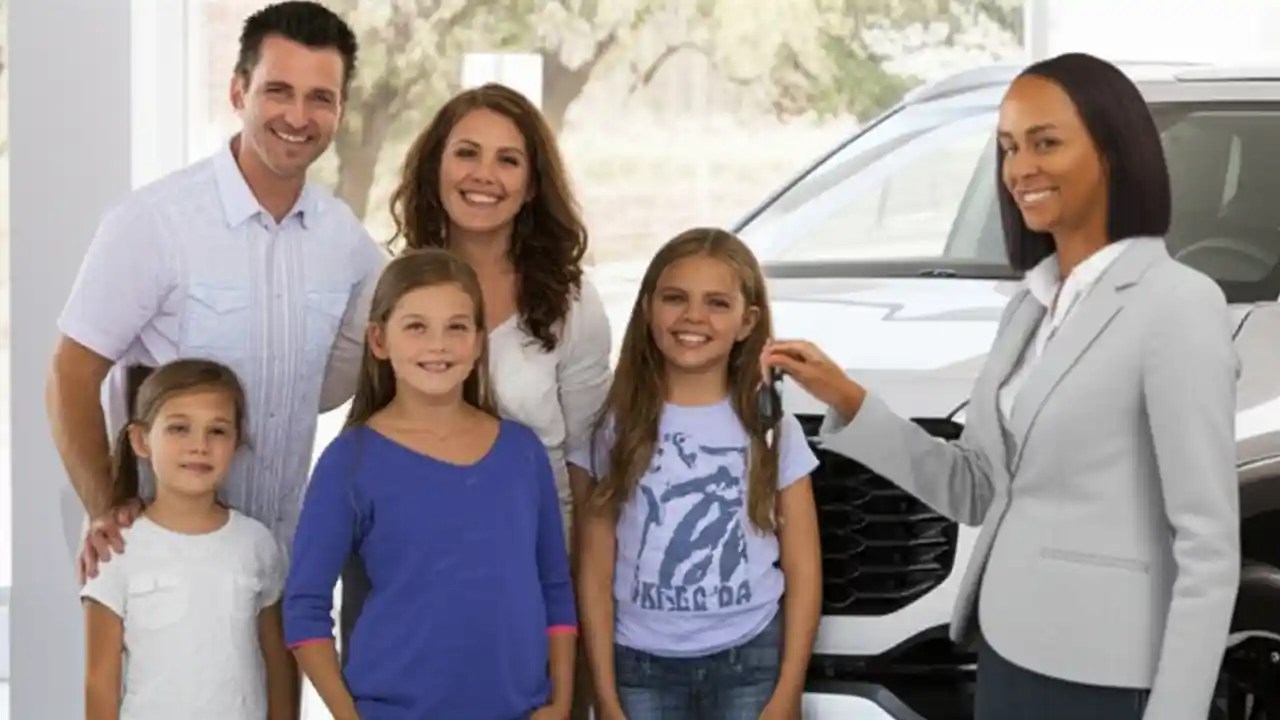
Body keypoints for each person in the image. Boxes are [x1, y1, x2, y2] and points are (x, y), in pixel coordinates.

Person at [764, 53, 1240, 720]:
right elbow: (976, 487)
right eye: (1009, 147)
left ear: (1112, 152)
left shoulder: (1178, 304)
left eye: (1046, 143)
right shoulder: (1032, 306)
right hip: (1009, 652)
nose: (1020, 169)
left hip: (1109, 669)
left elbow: (1209, 548)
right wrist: (846, 398)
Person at [47, 0, 387, 583]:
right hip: (162, 558)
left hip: (278, 560)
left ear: (340, 110)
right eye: (278, 90)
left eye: (320, 98)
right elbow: (70, 373)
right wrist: (105, 508)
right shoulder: (154, 222)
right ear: (238, 92)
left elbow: (326, 388)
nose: (298, 116)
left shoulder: (347, 244)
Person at [342, 82, 612, 714]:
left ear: (533, 183)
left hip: (527, 581)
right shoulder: (386, 287)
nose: (483, 175)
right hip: (400, 579)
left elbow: (585, 462)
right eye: (467, 152)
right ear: (436, 163)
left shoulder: (572, 305)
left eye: (508, 159)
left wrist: (572, 598)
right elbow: (368, 432)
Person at [283, 248, 576, 719]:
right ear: (379, 340)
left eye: (456, 327)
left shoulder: (522, 453)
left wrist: (559, 703)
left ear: (479, 340)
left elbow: (555, 588)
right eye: (416, 327)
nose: (437, 345)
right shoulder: (350, 462)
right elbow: (304, 608)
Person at [572, 228, 822, 719]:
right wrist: (603, 694)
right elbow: (595, 570)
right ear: (647, 308)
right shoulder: (613, 427)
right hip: (639, 664)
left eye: (716, 303)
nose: (693, 317)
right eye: (675, 298)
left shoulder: (769, 425)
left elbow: (805, 569)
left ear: (747, 321)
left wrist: (788, 691)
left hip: (750, 658)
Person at [81, 359, 294, 720]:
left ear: (237, 442)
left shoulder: (257, 544)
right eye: (179, 428)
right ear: (141, 440)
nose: (199, 445)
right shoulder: (116, 549)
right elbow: (99, 680)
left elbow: (279, 663)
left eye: (218, 431)